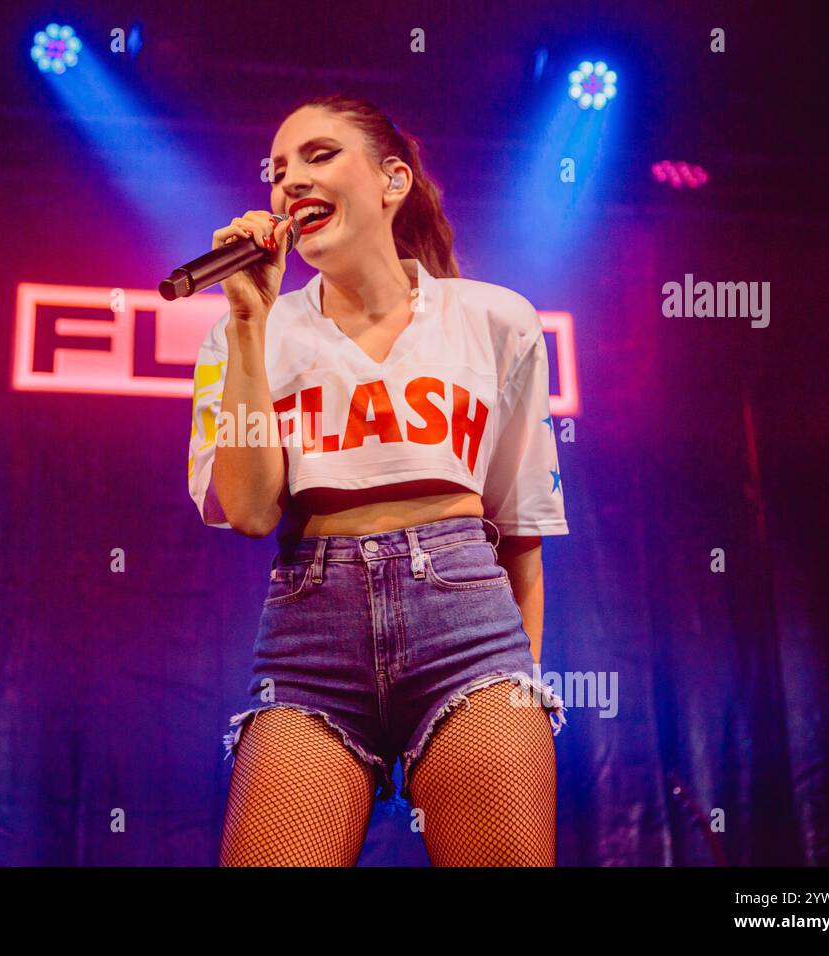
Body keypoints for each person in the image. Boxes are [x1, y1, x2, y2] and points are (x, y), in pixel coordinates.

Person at [187, 94, 569, 866]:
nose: (289, 181)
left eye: (319, 156)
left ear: (393, 179)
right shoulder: (242, 335)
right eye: (278, 170)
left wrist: (520, 681)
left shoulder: (496, 320)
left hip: (466, 623)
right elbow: (253, 510)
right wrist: (249, 325)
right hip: (310, 635)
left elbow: (519, 532)